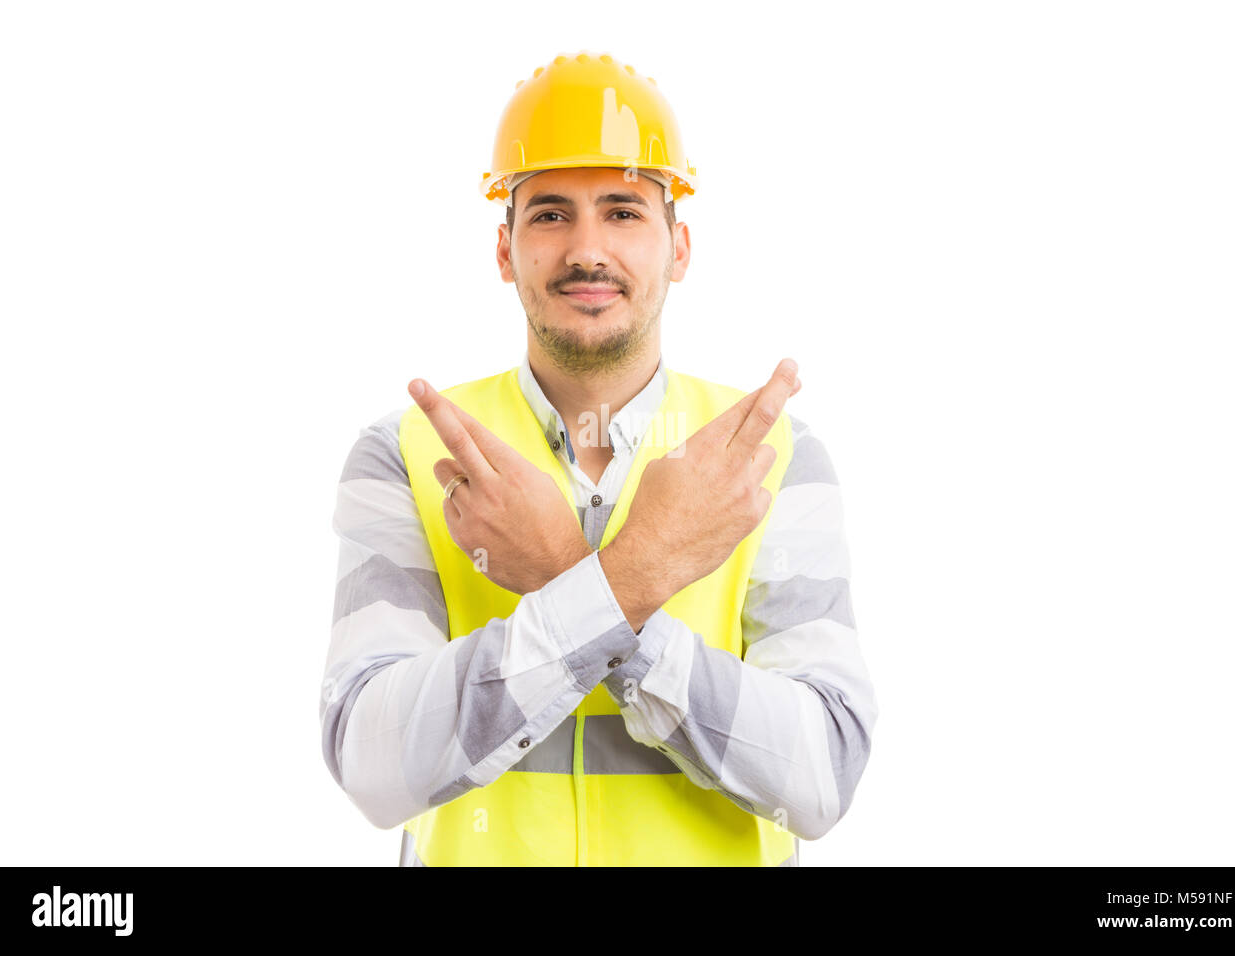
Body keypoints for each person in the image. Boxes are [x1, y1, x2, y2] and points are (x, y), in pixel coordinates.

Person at [319, 51, 878, 866]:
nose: (587, 249)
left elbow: (822, 774)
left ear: (678, 248)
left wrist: (559, 574)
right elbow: (372, 766)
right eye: (549, 215)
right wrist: (629, 583)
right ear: (505, 251)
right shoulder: (407, 455)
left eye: (622, 211)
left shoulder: (769, 456)